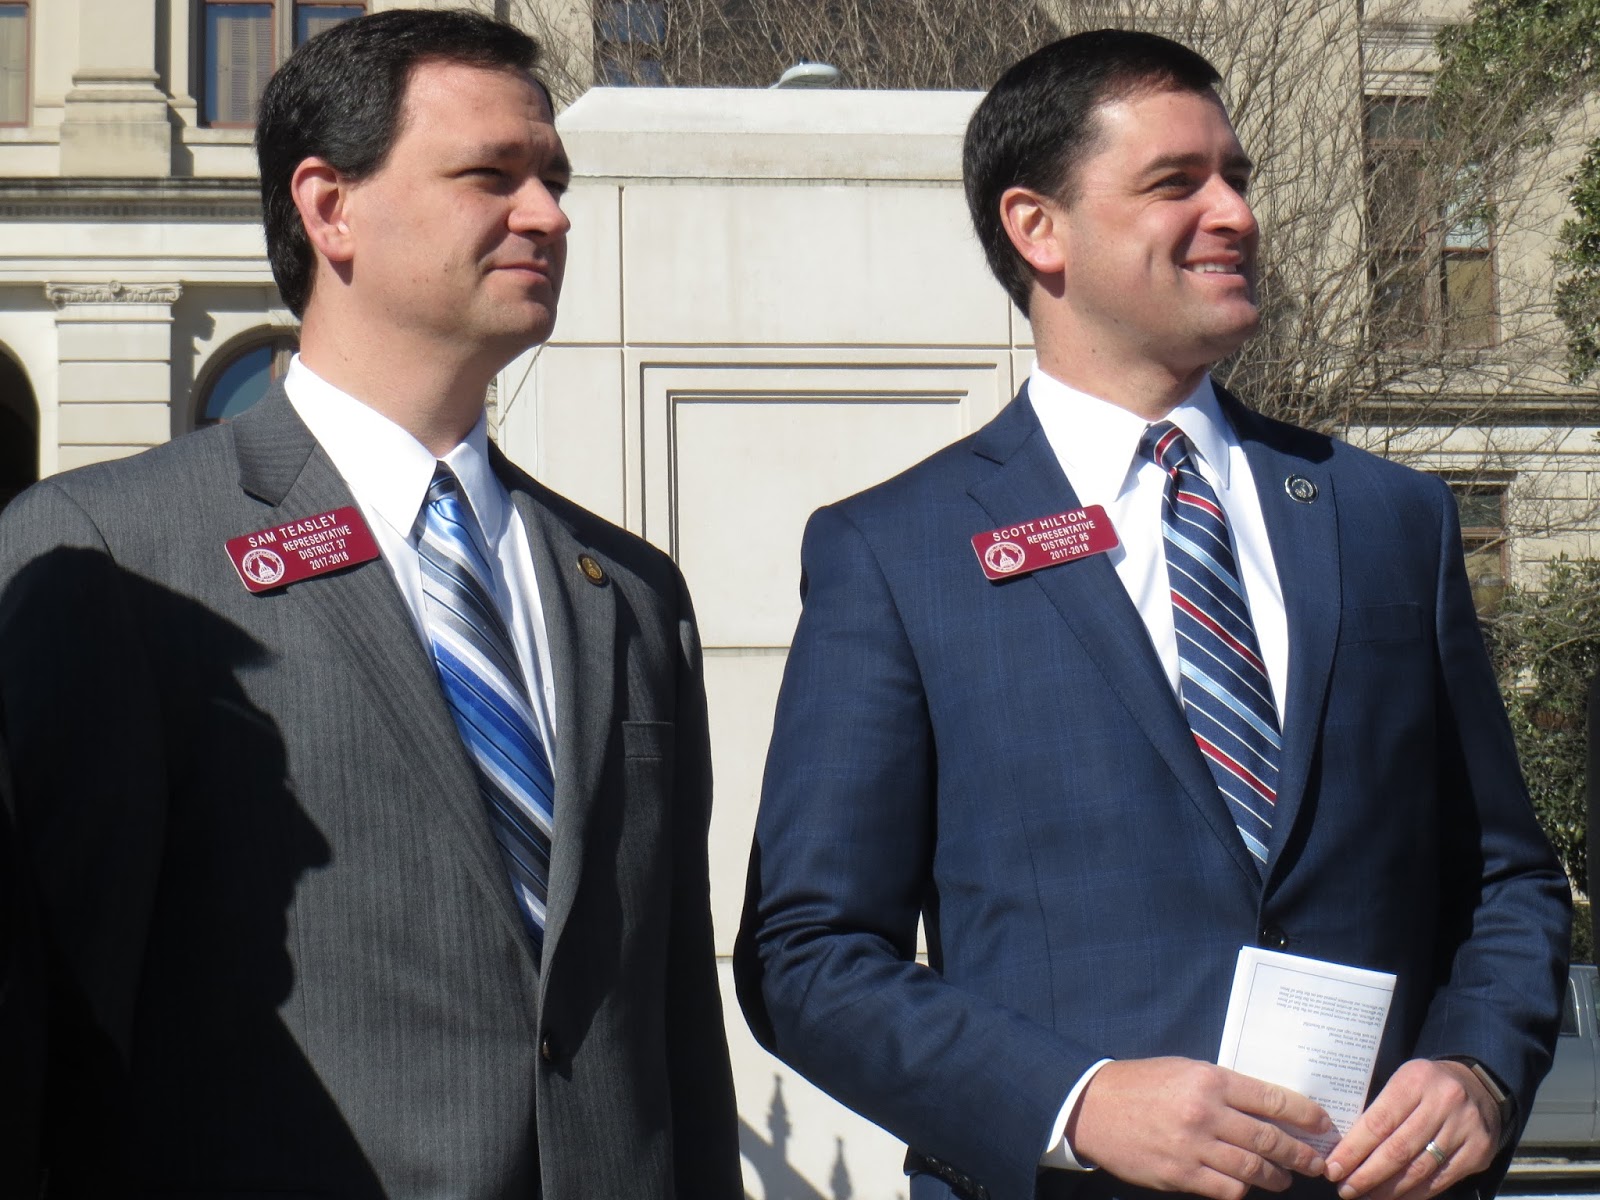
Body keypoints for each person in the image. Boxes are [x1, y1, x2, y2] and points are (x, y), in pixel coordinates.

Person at [735, 29, 1570, 1200]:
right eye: (1178, 184)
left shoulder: (1389, 519)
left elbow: (1509, 884)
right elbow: (805, 957)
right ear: (1038, 229)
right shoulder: (897, 552)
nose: (1233, 213)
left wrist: (1475, 1066)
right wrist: (1076, 1102)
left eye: (1236, 178)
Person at [0, 9, 740, 1197]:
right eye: (490, 176)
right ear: (328, 206)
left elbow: (675, 1032)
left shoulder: (632, 594)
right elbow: (48, 1029)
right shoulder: (115, 555)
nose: (548, 214)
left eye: (552, 178)